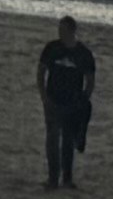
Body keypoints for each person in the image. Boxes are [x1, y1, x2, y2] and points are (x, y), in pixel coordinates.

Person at [35, 16, 99, 188]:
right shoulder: (52, 48)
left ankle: (67, 179)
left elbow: (90, 79)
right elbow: (41, 72)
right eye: (59, 30)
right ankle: (52, 178)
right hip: (53, 100)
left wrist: (84, 99)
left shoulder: (83, 54)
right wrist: (43, 96)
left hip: (72, 103)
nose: (60, 33)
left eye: (63, 30)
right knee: (52, 141)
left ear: (72, 31)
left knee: (68, 141)